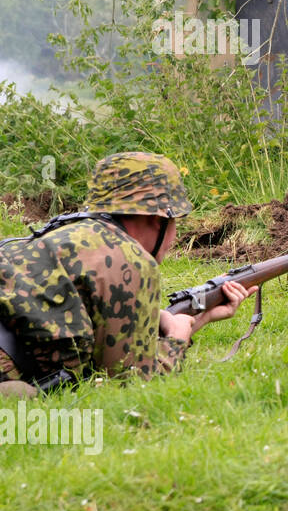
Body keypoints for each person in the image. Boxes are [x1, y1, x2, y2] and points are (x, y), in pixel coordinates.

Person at [0, 152, 255, 397]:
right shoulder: (128, 259)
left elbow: (103, 352)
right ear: (159, 219)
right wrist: (177, 338)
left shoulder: (63, 236)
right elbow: (131, 384)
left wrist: (201, 316)